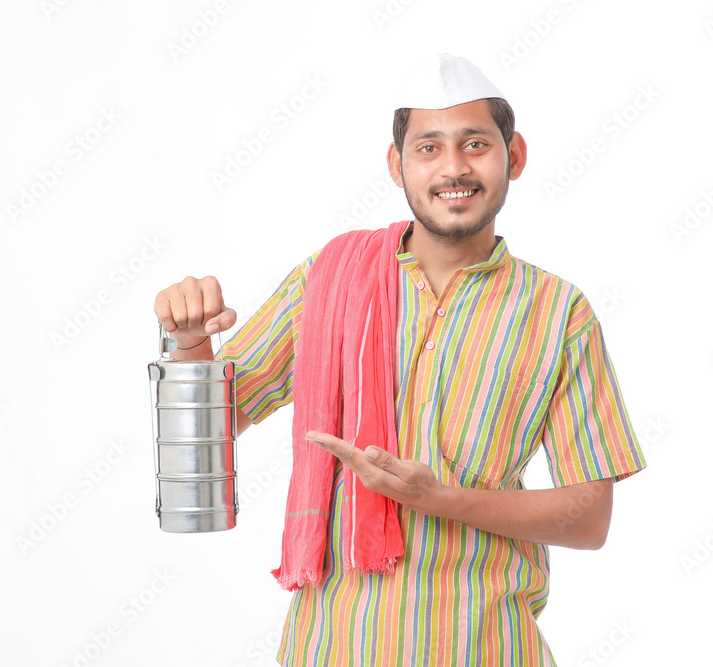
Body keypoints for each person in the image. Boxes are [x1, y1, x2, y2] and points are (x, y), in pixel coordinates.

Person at [154, 53, 646, 667]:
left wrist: (438, 499)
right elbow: (214, 427)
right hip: (331, 649)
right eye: (428, 149)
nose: (454, 168)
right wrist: (192, 343)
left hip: (488, 649)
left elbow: (588, 519)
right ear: (397, 165)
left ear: (513, 156)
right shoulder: (329, 281)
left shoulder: (557, 312)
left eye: (475, 144)